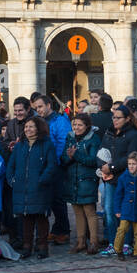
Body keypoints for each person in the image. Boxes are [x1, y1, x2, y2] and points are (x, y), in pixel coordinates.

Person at [8, 115, 57, 261]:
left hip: (40, 187)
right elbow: (11, 165)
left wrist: (42, 180)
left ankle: (42, 247)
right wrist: (12, 180)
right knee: (26, 218)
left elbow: (51, 165)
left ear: (38, 128)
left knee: (41, 218)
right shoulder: (20, 145)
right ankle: (27, 246)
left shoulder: (47, 144)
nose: (27, 129)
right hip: (22, 187)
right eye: (26, 127)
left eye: (31, 126)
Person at [99, 104, 137, 256]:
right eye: (114, 117)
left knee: (126, 212)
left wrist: (111, 168)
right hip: (110, 179)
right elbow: (101, 152)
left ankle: (127, 243)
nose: (115, 120)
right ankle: (112, 242)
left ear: (127, 118)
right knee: (110, 211)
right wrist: (103, 168)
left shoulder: (134, 135)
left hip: (125, 178)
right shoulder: (109, 132)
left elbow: (131, 157)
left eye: (118, 118)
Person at [33, 94, 71, 245]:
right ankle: (55, 229)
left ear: (49, 105)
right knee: (48, 200)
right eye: (36, 108)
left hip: (56, 165)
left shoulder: (60, 120)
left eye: (40, 107)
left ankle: (63, 230)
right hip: (43, 165)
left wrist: (58, 162)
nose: (38, 110)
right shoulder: (39, 121)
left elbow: (64, 142)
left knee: (58, 200)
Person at [61, 113, 102, 255]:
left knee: (90, 212)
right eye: (74, 125)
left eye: (79, 125)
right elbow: (64, 158)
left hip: (87, 180)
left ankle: (94, 242)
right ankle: (80, 242)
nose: (76, 127)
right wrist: (70, 157)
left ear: (86, 126)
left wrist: (75, 155)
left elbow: (93, 160)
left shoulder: (93, 139)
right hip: (72, 179)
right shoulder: (70, 137)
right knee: (77, 212)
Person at [113, 151, 137, 260]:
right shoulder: (123, 177)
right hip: (126, 209)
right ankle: (118, 250)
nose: (131, 166)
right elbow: (118, 195)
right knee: (122, 230)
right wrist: (117, 209)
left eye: (134, 164)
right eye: (129, 164)